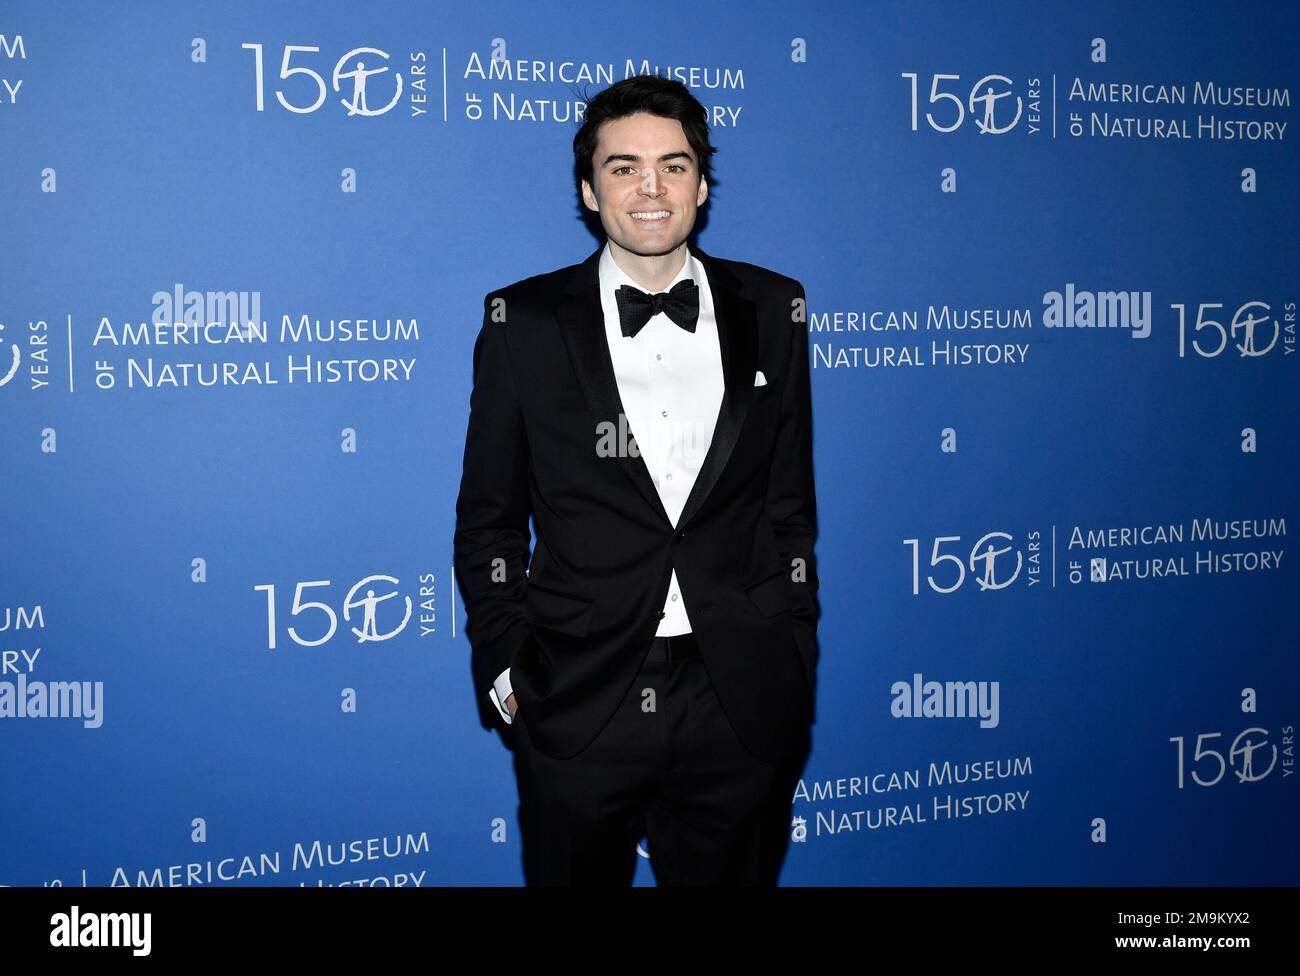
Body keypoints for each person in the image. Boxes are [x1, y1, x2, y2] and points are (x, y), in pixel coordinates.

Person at [453, 75, 819, 885]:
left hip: (739, 695)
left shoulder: (774, 308)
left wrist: (793, 651)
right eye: (623, 167)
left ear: (703, 184)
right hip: (581, 693)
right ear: (588, 190)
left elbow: (789, 506)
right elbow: (490, 519)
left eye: (674, 165)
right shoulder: (525, 324)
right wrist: (508, 669)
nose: (651, 188)